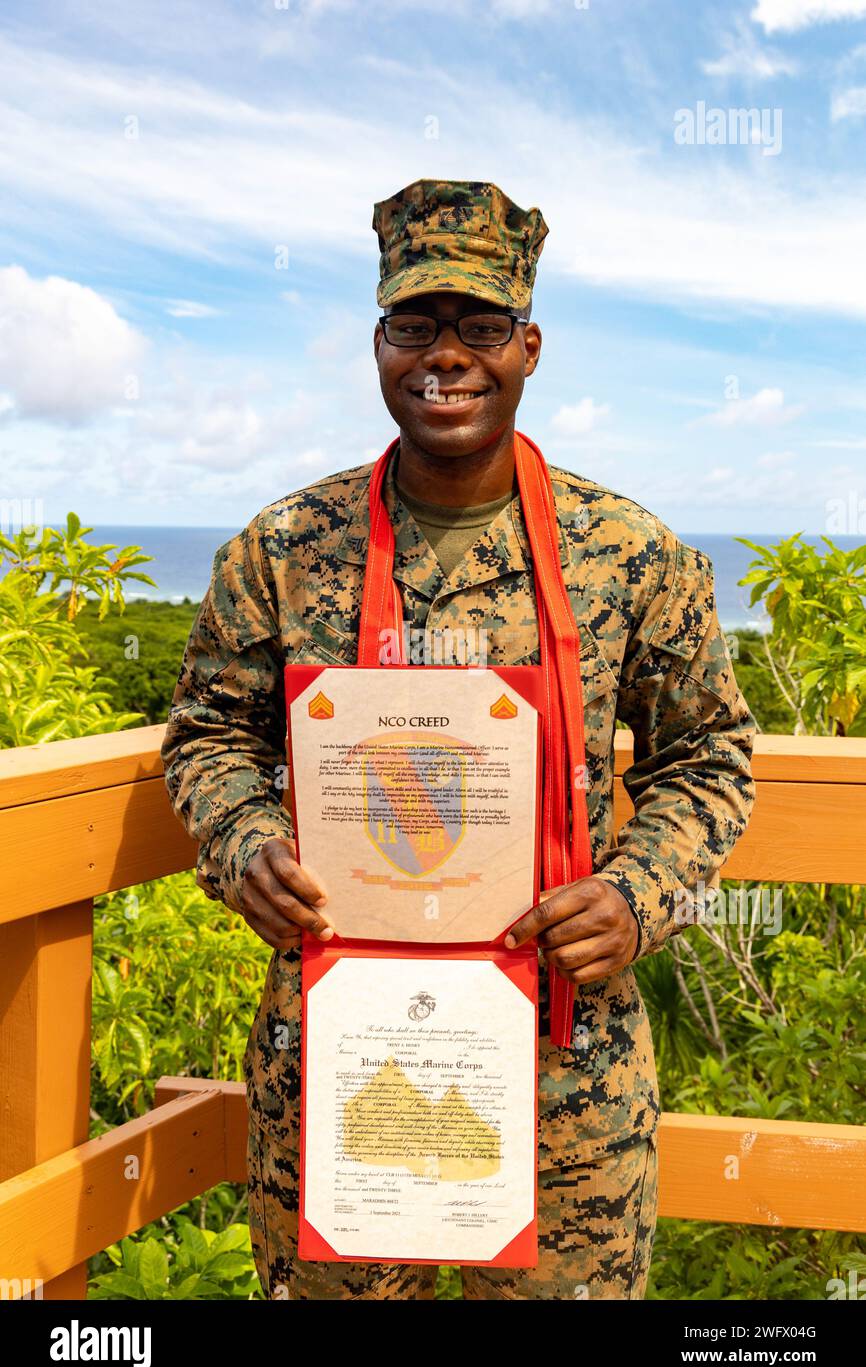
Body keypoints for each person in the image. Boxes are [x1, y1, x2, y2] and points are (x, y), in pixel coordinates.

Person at [161, 178, 757, 1301]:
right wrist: (244, 842)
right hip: (340, 1044)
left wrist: (635, 893)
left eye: (481, 326)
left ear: (528, 345)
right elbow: (207, 734)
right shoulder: (284, 546)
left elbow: (706, 756)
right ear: (377, 344)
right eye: (413, 326)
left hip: (562, 1064)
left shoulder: (629, 552)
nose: (447, 357)